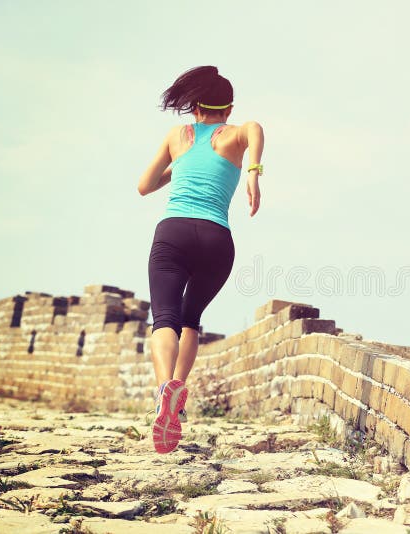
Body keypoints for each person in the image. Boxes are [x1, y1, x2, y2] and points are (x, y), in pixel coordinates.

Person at [137, 65, 265, 454]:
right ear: (228, 109)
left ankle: (165, 392)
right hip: (216, 239)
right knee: (190, 319)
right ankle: (176, 397)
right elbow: (256, 127)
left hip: (173, 233)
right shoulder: (234, 135)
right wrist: (253, 173)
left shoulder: (178, 136)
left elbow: (143, 186)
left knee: (165, 319)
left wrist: (177, 170)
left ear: (195, 109)